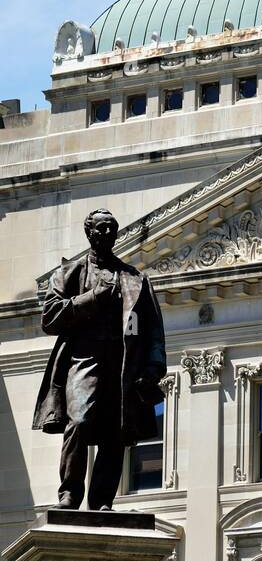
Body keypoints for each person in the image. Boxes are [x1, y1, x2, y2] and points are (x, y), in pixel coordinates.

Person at [32, 209, 166, 510]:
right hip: (84, 358)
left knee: (115, 432)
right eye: (101, 228)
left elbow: (152, 330)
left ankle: (102, 500)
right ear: (89, 232)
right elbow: (50, 318)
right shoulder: (69, 273)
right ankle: (69, 494)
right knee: (78, 422)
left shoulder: (135, 280)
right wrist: (94, 297)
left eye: (112, 229)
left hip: (122, 364)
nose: (107, 234)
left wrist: (153, 367)